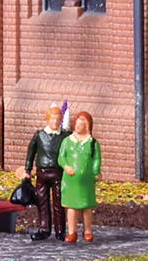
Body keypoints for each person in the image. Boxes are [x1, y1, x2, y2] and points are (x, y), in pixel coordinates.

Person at [23, 102, 65, 240]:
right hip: (42, 173)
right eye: (52, 119)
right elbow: (31, 153)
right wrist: (27, 170)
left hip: (58, 173)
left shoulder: (64, 136)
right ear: (47, 119)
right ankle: (44, 228)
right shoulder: (39, 135)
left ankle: (60, 230)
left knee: (59, 202)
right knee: (42, 201)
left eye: (58, 119)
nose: (55, 122)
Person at [59, 110, 101, 244]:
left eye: (81, 124)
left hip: (86, 181)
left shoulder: (92, 143)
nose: (78, 127)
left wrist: (95, 171)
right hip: (71, 181)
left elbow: (96, 159)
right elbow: (61, 157)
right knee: (72, 208)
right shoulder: (67, 141)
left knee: (86, 207)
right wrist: (66, 166)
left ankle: (87, 230)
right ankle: (72, 232)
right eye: (76, 124)